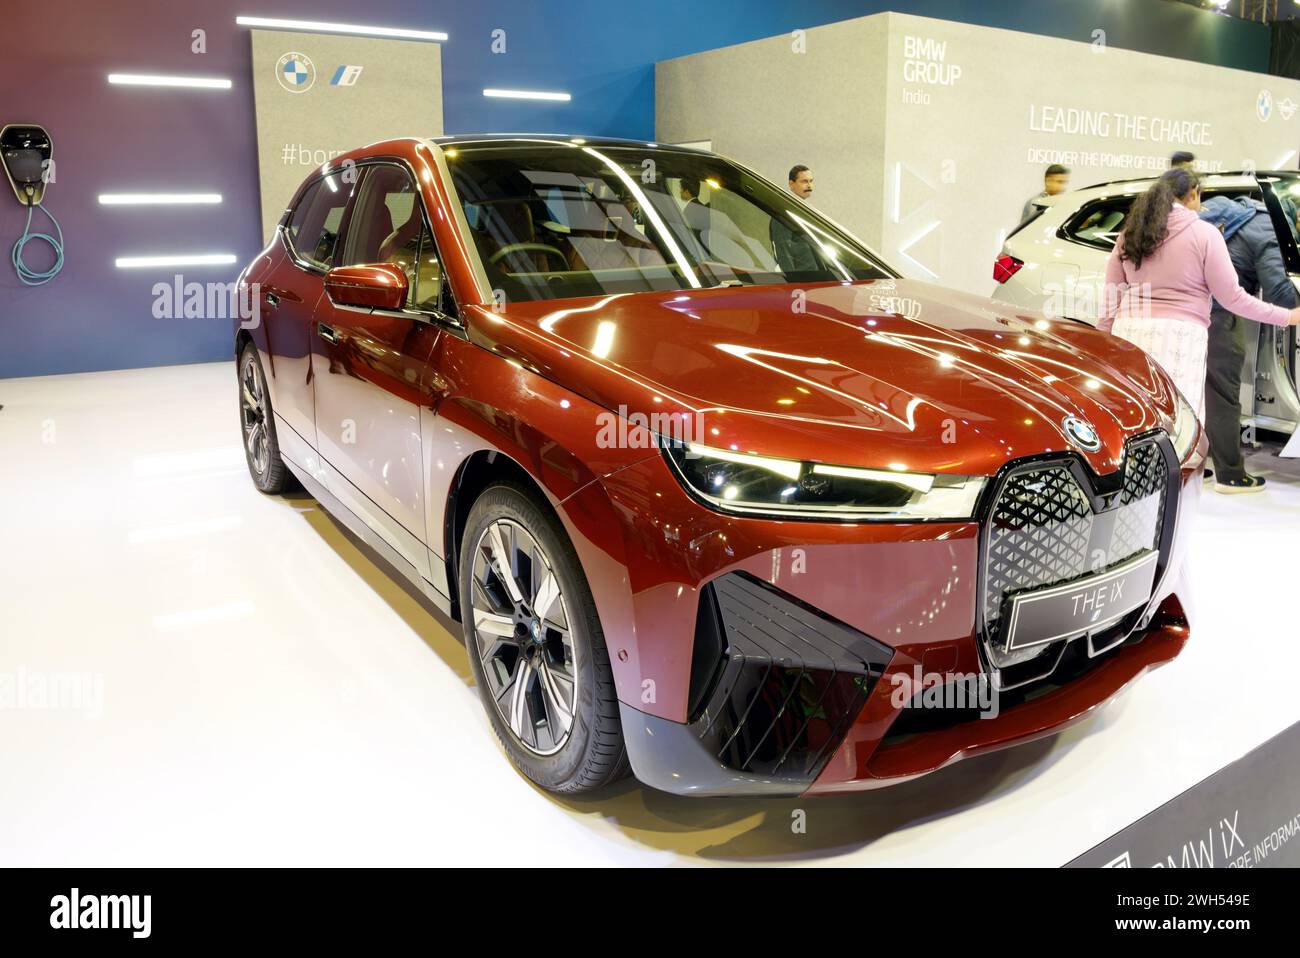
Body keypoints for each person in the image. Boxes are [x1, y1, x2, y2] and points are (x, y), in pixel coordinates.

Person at [1098, 167, 1300, 428]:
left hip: (1129, 335)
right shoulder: (1205, 234)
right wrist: (1288, 316)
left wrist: (1103, 344)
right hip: (1179, 340)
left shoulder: (1129, 234)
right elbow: (1233, 298)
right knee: (1180, 428)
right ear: (1193, 194)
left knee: (1135, 422)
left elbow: (1111, 298)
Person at [769, 164, 819, 272]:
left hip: (813, 278)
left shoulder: (804, 211)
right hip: (800, 281)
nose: (809, 186)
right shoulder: (784, 213)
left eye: (811, 181)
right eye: (804, 181)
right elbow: (782, 250)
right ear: (791, 184)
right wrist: (792, 282)